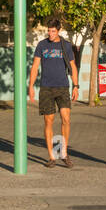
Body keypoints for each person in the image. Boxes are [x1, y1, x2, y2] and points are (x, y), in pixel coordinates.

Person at [28, 17, 78, 167]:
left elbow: (73, 67)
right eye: (48, 31)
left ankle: (63, 152)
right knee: (48, 120)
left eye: (53, 31)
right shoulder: (42, 45)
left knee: (66, 118)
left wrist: (76, 85)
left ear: (59, 30)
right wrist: (31, 86)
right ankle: (52, 156)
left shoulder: (66, 45)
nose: (50, 34)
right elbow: (35, 67)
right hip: (46, 88)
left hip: (63, 87)